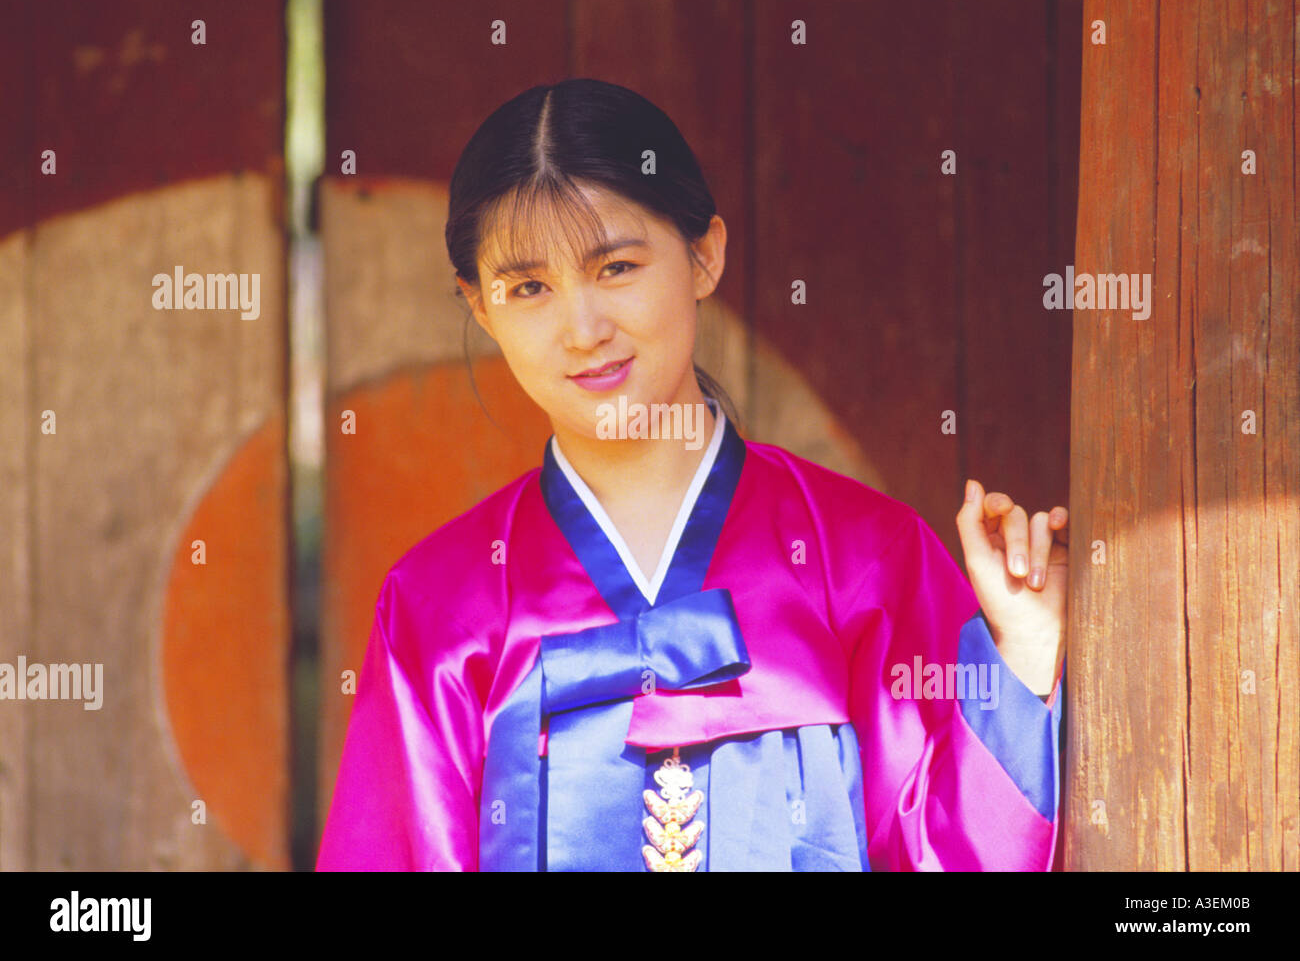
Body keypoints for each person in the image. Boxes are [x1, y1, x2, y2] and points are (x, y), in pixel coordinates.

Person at [316, 78, 1068, 872]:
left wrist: (1020, 655)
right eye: (528, 287)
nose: (583, 330)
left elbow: (952, 854)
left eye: (616, 266)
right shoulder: (439, 605)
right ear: (477, 303)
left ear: (705, 254)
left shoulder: (866, 559)